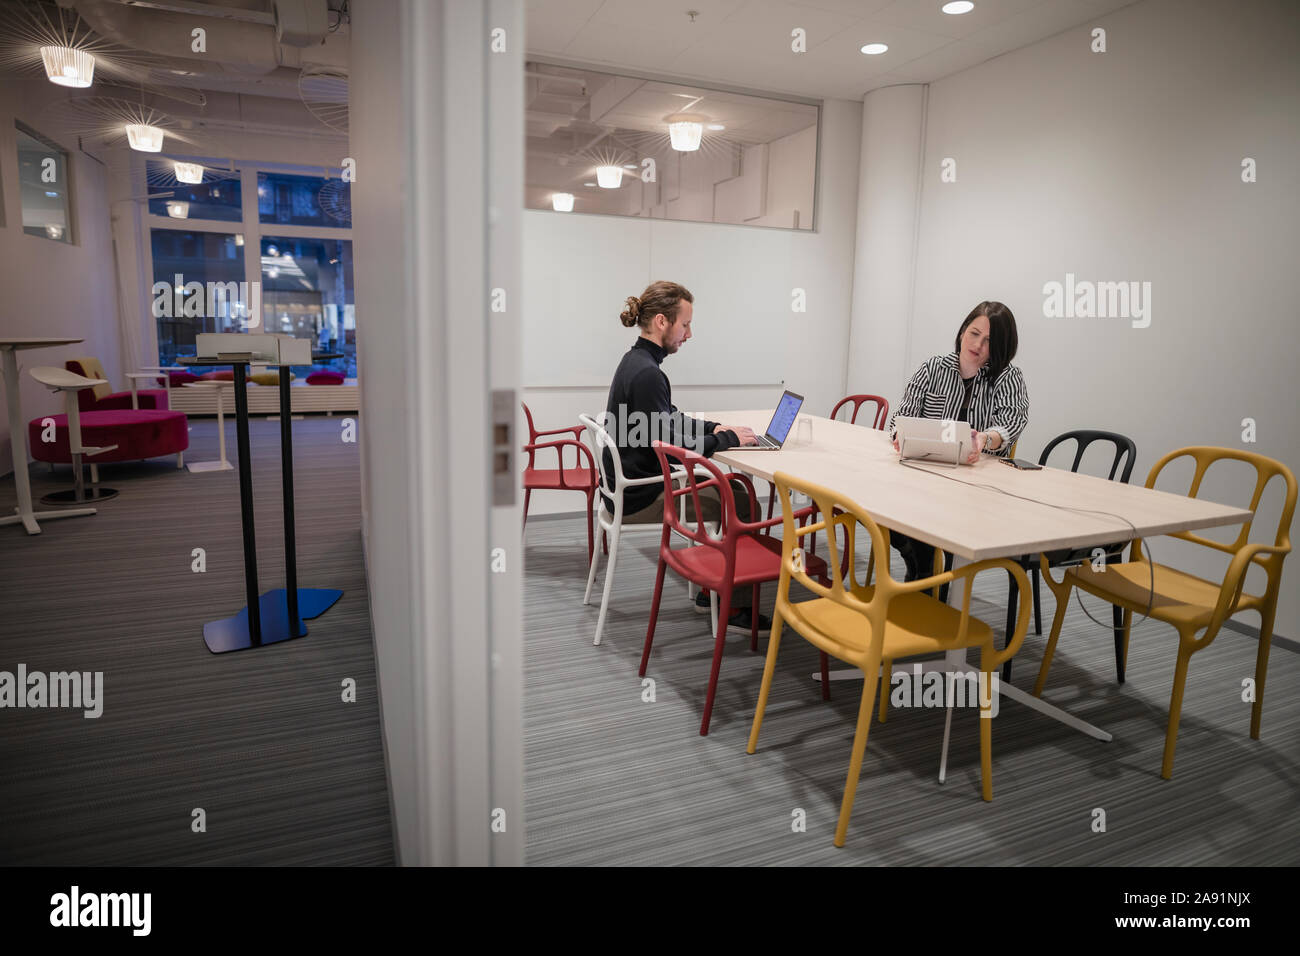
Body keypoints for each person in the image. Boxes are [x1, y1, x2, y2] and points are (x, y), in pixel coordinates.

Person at [602, 280, 768, 632]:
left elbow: (667, 420)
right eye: (685, 325)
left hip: (626, 488)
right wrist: (725, 438)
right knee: (741, 500)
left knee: (734, 491)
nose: (689, 334)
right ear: (662, 322)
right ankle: (730, 606)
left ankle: (716, 589)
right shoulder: (648, 373)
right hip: (641, 495)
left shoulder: (635, 361)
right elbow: (667, 447)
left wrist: (712, 427)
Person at [887, 301, 1030, 583]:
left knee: (935, 518)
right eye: (974, 333)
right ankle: (918, 559)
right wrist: (898, 435)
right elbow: (901, 415)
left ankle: (929, 574)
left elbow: (1011, 423)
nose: (977, 344)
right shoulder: (934, 368)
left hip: (973, 485)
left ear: (1001, 346)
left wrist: (986, 439)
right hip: (922, 474)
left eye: (989, 341)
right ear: (964, 330)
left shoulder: (1008, 377)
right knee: (886, 504)